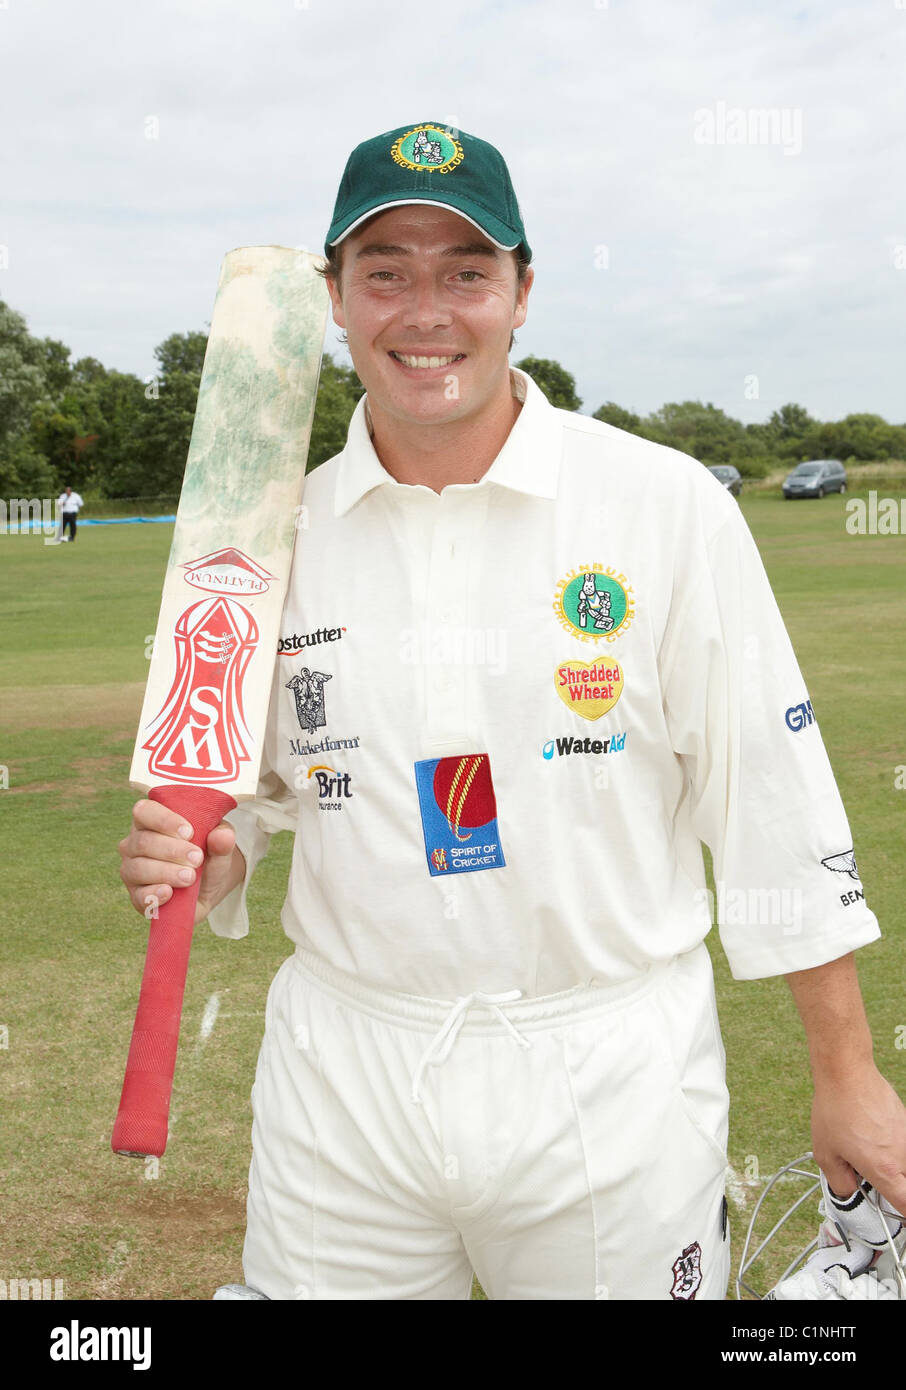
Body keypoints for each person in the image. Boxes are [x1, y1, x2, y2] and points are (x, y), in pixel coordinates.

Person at [118, 122, 906, 1301]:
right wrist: (209, 856)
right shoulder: (269, 534)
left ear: (523, 292)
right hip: (346, 1077)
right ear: (335, 297)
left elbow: (770, 797)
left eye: (466, 272)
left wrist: (846, 1067)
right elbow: (261, 797)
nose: (424, 310)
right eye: (384, 272)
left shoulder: (662, 505)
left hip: (608, 1073)